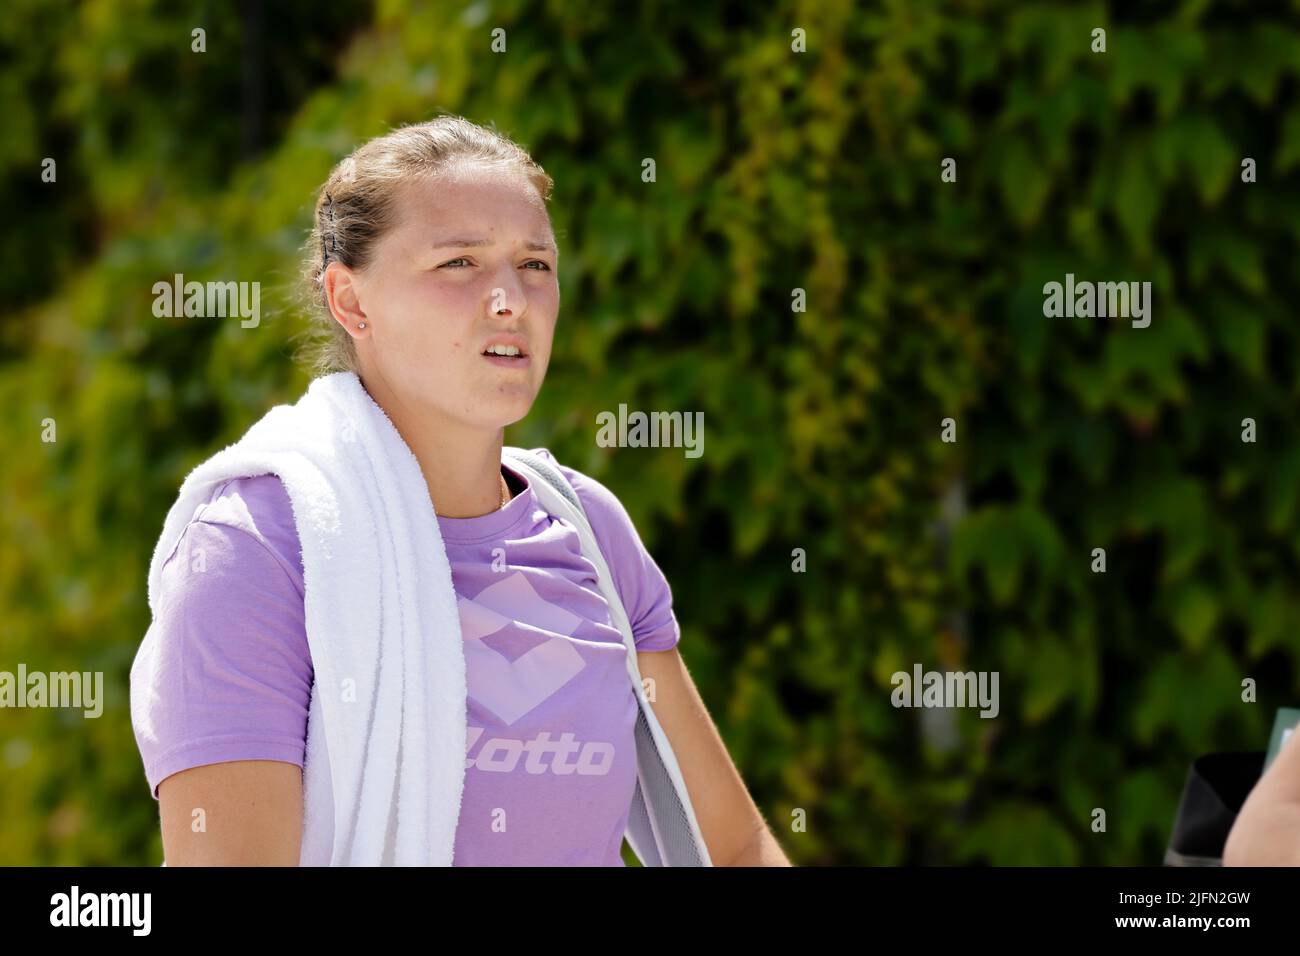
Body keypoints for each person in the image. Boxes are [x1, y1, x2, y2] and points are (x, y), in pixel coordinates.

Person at [129, 115, 789, 867]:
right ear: (350, 301)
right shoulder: (256, 546)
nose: (511, 299)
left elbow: (734, 848)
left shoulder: (590, 529)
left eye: (536, 265)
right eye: (459, 264)